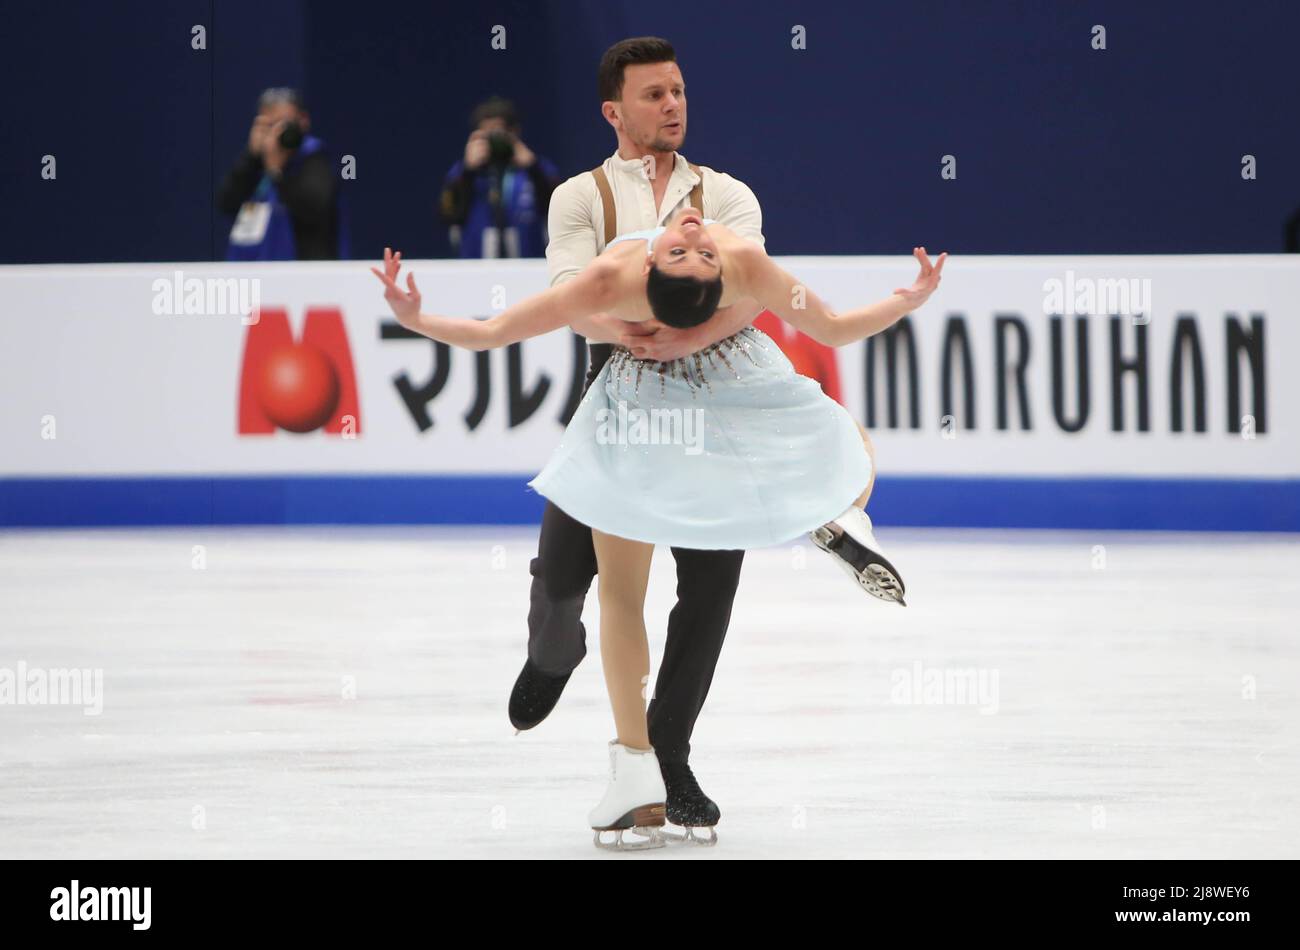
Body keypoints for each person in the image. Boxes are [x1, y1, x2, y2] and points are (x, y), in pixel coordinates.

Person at [370, 213, 947, 848]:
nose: (699, 238)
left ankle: (635, 771)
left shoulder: (617, 277)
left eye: (696, 253)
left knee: (624, 588)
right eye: (692, 252)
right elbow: (832, 329)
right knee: (828, 437)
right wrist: (414, 316)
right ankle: (836, 515)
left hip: (641, 409)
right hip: (719, 389)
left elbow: (495, 331)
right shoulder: (735, 260)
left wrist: (908, 297)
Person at [504, 36, 770, 844]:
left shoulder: (725, 195)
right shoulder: (578, 197)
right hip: (613, 394)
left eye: (680, 90)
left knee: (711, 585)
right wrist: (637, 332)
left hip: (710, 402)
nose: (674, 106)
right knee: (560, 585)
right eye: (654, 95)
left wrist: (683, 342)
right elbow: (567, 297)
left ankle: (669, 753)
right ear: (613, 111)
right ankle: (555, 652)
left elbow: (749, 294)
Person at [217, 87, 348, 261]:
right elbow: (226, 204)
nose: (277, 134)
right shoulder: (255, 162)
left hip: (304, 275)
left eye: (285, 125)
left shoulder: (314, 158)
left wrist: (276, 171)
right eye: (270, 126)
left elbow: (314, 208)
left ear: (303, 121)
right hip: (253, 272)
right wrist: (250, 157)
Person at [439, 97, 563, 258]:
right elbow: (447, 214)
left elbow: (559, 210)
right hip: (475, 266)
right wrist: (467, 172)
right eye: (487, 135)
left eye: (499, 134)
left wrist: (533, 168)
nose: (494, 141)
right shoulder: (463, 172)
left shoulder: (536, 168)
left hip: (529, 264)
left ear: (515, 132)